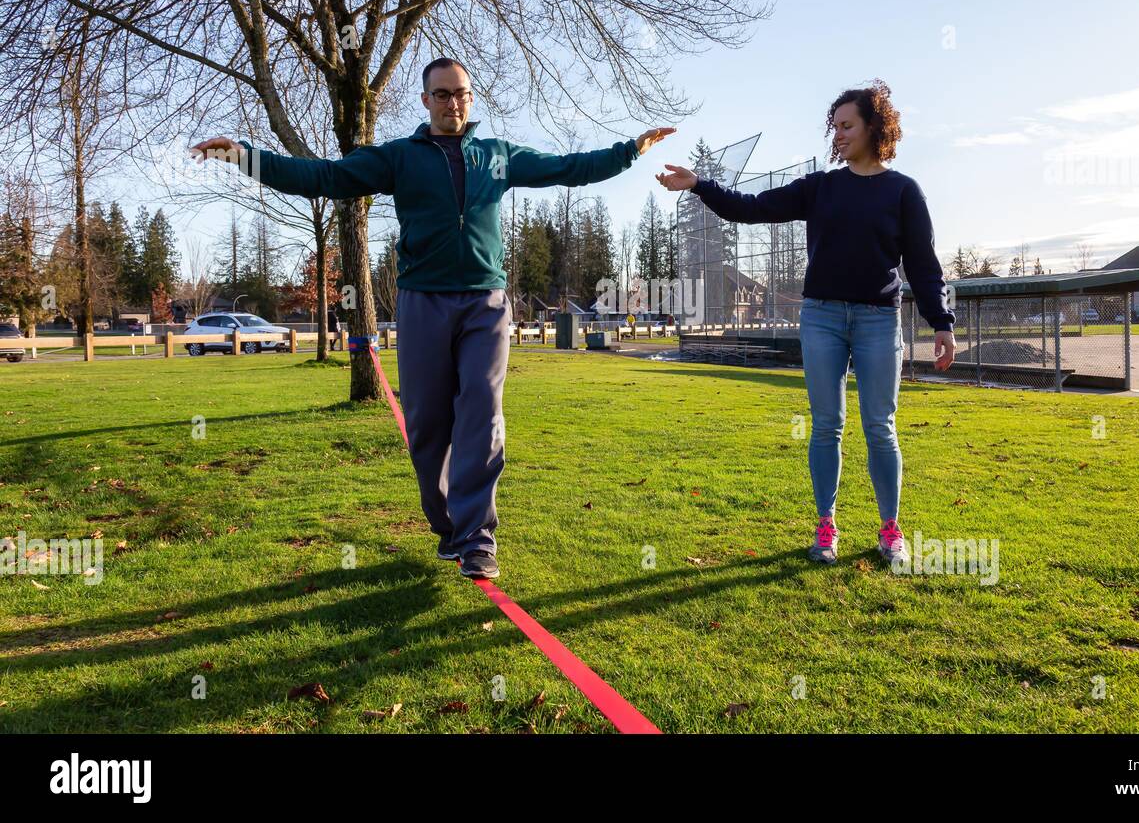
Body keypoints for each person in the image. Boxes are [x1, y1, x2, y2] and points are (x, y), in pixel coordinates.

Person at [192, 57, 675, 578]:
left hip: (484, 304)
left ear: (471, 98)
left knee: (483, 413)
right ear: (425, 101)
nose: (453, 103)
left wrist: (630, 150)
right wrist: (247, 158)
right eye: (442, 94)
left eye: (462, 93)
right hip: (422, 302)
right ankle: (447, 528)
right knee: (428, 427)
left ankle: (476, 537)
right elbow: (325, 177)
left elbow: (568, 167)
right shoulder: (400, 158)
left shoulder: (498, 156)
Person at [657, 79, 956, 566]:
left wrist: (941, 323)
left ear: (873, 127)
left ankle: (890, 529)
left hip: (879, 320)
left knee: (880, 426)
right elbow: (752, 209)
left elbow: (923, 265)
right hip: (821, 318)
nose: (837, 135)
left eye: (847, 125)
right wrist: (699, 186)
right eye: (833, 126)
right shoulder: (820, 188)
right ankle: (826, 525)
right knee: (827, 426)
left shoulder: (903, 191)